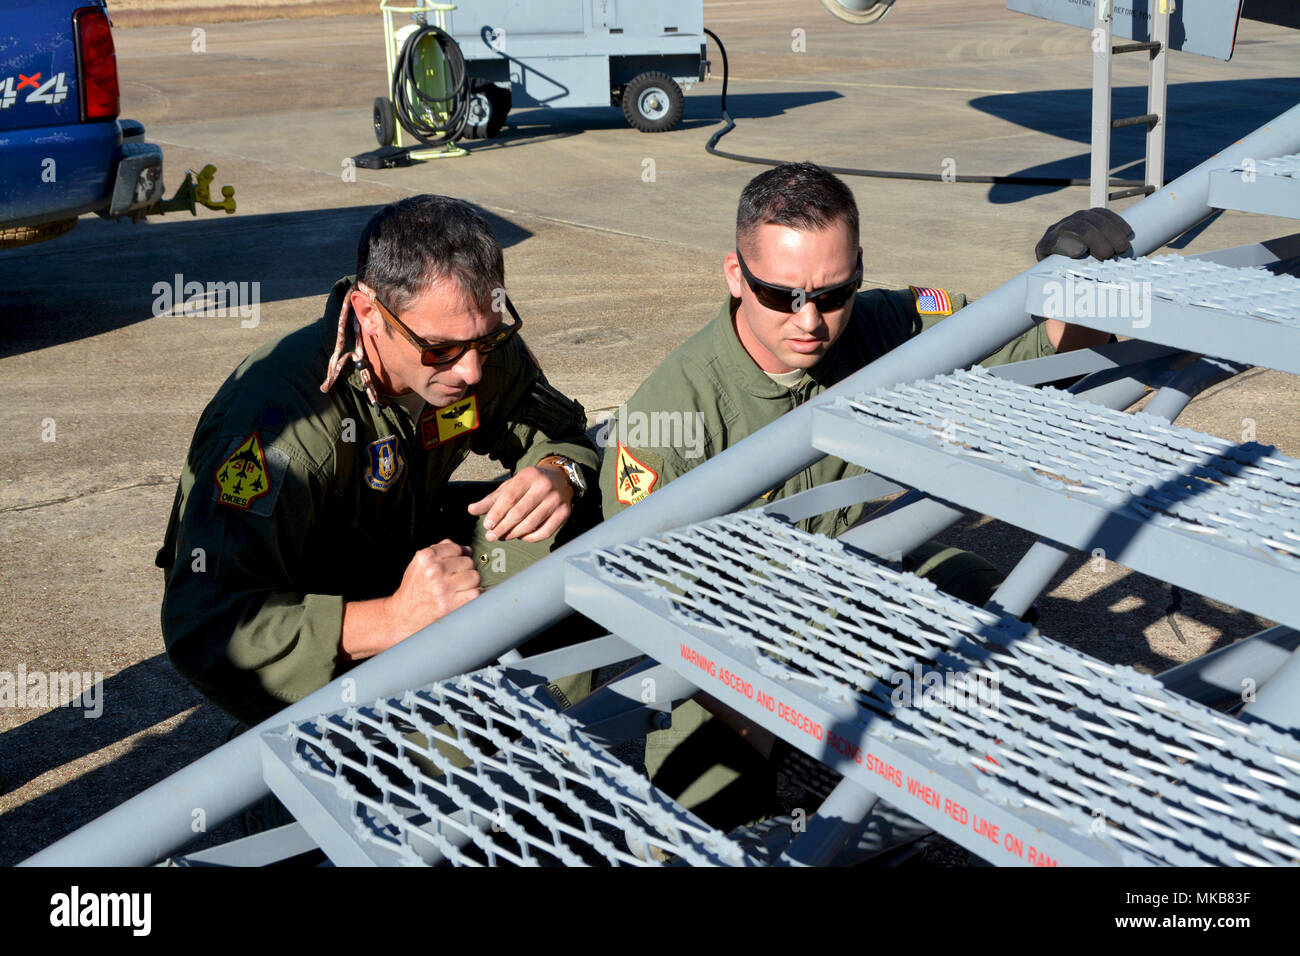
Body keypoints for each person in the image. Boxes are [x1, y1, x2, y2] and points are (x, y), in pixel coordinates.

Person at [597, 162, 1132, 845]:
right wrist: (788, 715)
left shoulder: (885, 324)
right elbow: (663, 612)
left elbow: (1028, 352)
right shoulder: (667, 420)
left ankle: (938, 790)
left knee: (990, 601)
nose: (810, 322)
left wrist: (1074, 286)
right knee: (701, 817)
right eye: (780, 295)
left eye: (833, 293)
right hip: (739, 646)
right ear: (735, 275)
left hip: (865, 584)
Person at [157, 195, 600, 728]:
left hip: (399, 540)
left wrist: (558, 472)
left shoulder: (466, 340)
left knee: (581, 525)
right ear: (370, 314)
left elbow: (561, 432)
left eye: (487, 339)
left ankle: (541, 733)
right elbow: (206, 627)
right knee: (400, 758)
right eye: (441, 350)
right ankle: (285, 784)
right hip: (306, 608)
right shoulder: (280, 431)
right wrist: (392, 619)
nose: (473, 371)